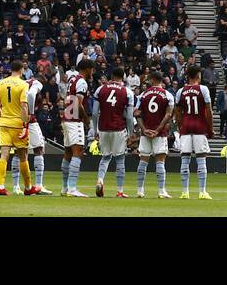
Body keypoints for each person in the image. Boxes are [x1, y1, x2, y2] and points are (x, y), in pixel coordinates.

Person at [0, 59, 34, 196]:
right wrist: (25, 124)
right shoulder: (23, 84)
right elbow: (24, 105)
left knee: (4, 155)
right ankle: (28, 187)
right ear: (22, 70)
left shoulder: (1, 83)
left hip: (4, 123)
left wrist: (3, 117)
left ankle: (0, 186)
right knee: (23, 156)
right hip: (18, 123)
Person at [93, 67, 134, 198]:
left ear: (111, 75)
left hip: (103, 128)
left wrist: (95, 130)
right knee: (120, 159)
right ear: (123, 77)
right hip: (118, 128)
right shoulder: (127, 92)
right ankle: (120, 190)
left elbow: (94, 113)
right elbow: (129, 116)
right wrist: (131, 133)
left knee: (105, 157)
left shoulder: (100, 89)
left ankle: (100, 180)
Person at [175, 63, 213, 199]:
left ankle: (185, 192)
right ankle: (202, 192)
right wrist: (211, 128)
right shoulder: (203, 89)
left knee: (185, 160)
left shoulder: (181, 91)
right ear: (198, 75)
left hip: (186, 127)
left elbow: (177, 112)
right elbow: (208, 110)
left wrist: (180, 126)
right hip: (199, 127)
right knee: (201, 160)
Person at [134, 69, 174, 199]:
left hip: (146, 133)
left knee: (143, 161)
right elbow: (168, 114)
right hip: (160, 133)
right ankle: (161, 191)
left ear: (152, 80)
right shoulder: (167, 95)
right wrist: (157, 130)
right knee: (160, 162)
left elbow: (137, 114)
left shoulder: (143, 95)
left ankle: (140, 191)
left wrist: (144, 129)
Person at [60, 58, 94, 197]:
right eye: (92, 69)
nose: (92, 72)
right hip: (74, 120)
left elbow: (67, 99)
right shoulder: (82, 82)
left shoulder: (72, 80)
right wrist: (87, 121)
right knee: (77, 151)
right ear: (87, 69)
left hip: (67, 119)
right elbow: (78, 104)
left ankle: (64, 188)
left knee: (68, 152)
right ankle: (72, 188)